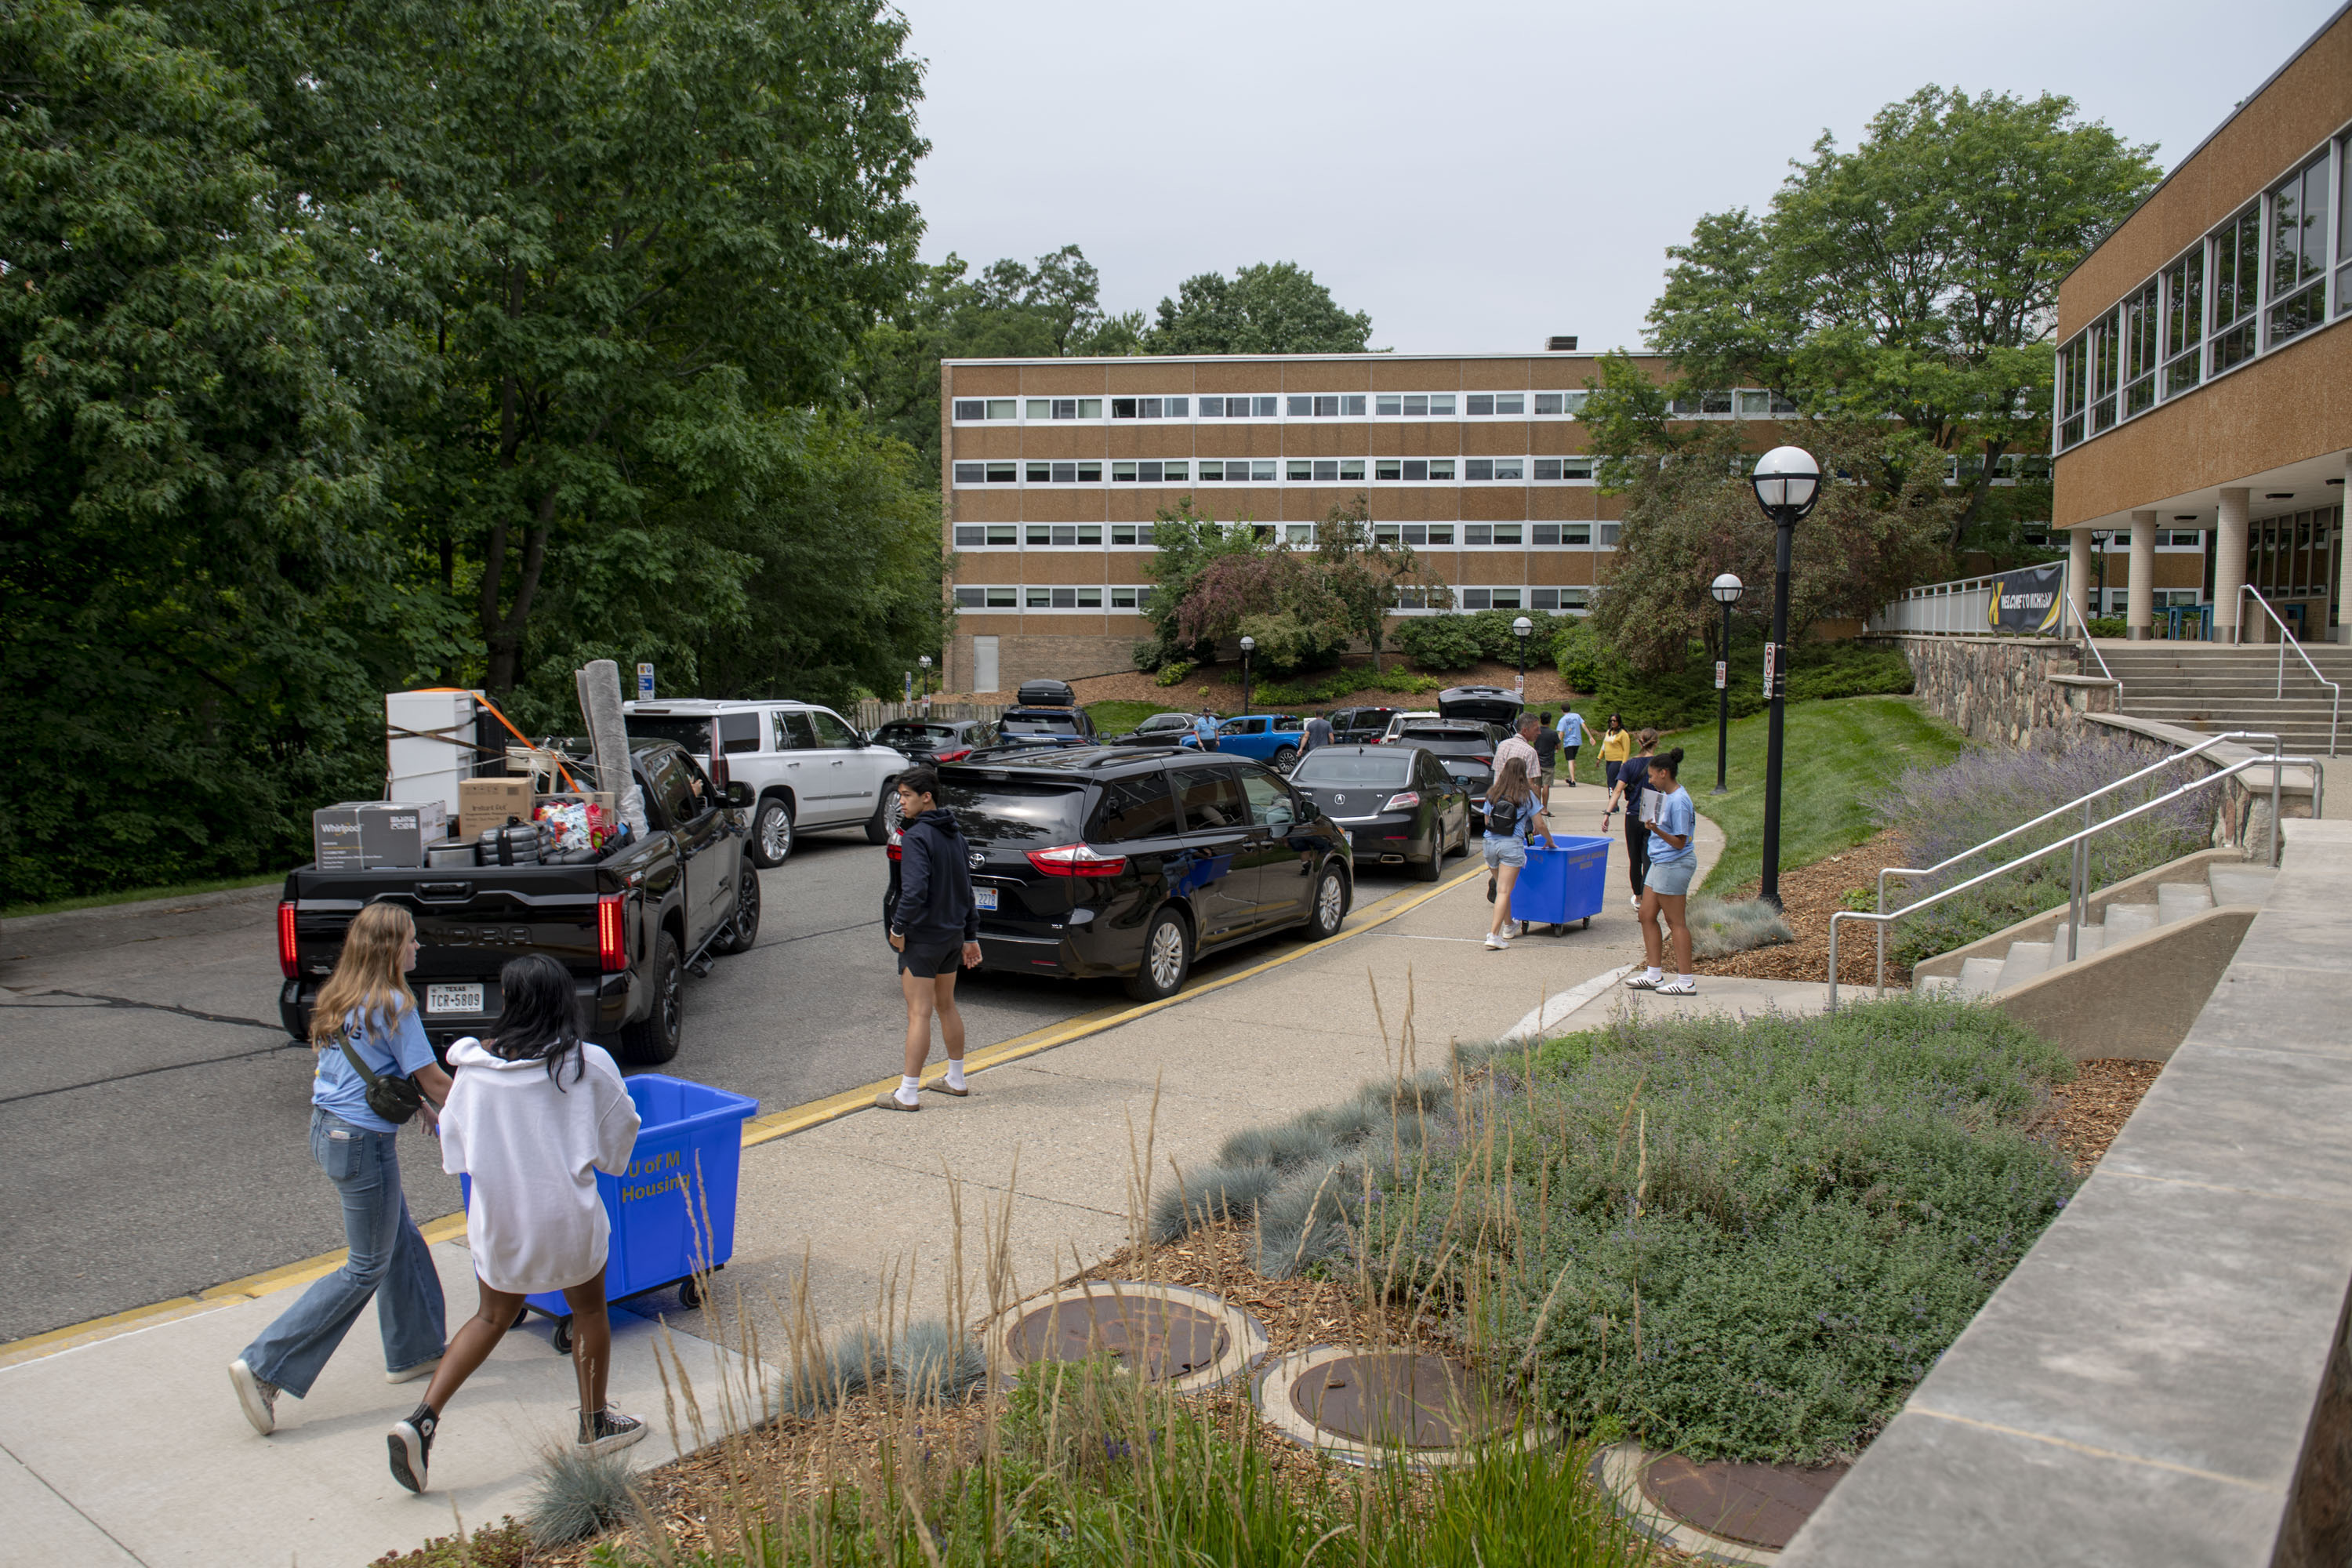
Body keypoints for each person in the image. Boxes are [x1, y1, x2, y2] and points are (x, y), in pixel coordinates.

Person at [388, 954, 646, 1493]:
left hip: (500, 1216)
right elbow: (621, 1138)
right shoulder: (587, 1064)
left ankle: (422, 1420)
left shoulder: (473, 1073)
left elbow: (456, 1153)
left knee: (490, 1317)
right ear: (561, 1002)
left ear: (511, 1003)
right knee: (590, 1309)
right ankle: (595, 1423)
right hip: (565, 1218)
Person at [229, 902, 452, 1439]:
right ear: (389, 949)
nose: (417, 947)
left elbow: (365, 1068)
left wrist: (415, 1104)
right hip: (361, 1146)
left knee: (398, 1237)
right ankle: (265, 1366)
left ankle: (415, 1351)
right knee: (365, 1265)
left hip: (327, 1127)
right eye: (411, 940)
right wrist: (493, 1110)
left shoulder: (342, 995)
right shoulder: (397, 1004)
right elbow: (436, 1079)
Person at [879, 766, 983, 1111]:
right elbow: (967, 891)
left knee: (919, 1013)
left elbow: (914, 891)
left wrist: (898, 929)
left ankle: (907, 1093)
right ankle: (956, 1078)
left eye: (906, 795)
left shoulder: (917, 837)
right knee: (946, 1006)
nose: (901, 802)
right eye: (899, 795)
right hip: (952, 936)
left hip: (923, 938)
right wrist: (970, 935)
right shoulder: (955, 834)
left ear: (927, 797)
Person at [1624, 749, 1699, 996]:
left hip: (1674, 863)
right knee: (1646, 915)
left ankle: (1686, 980)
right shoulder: (1666, 796)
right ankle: (1654, 974)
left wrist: (1654, 829)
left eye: (1653, 776)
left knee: (1675, 922)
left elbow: (1680, 842)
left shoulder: (1679, 802)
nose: (1650, 780)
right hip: (1660, 862)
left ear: (1664, 773)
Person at [1481, 756, 1555, 949]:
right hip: (1511, 845)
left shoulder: (1493, 793)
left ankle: (1508, 926)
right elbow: (1539, 824)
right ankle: (1493, 935)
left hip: (1490, 844)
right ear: (1523, 773)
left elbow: (1487, 822)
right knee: (1504, 891)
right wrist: (1550, 841)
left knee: (1501, 889)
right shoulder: (1527, 795)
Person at [1602, 727, 1660, 910]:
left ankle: (1639, 896)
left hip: (1633, 815)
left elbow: (1617, 790)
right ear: (1656, 743)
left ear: (1638, 742)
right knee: (1649, 857)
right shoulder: (1659, 764)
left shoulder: (1629, 765)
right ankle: (1649, 894)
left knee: (1635, 859)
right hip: (1652, 814)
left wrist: (1607, 813)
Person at [1496, 713, 1542, 813]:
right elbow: (1530, 783)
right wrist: (1538, 805)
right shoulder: (1530, 752)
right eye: (1536, 729)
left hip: (1498, 802)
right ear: (1525, 730)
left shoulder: (1501, 745)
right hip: (1518, 806)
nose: (1539, 732)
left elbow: (1497, 772)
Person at [1533, 712, 1560, 808]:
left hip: (1537, 762)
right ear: (1550, 720)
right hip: (1548, 763)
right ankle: (1544, 808)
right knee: (1546, 786)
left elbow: (1533, 741)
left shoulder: (1537, 732)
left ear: (1540, 720)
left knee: (1537, 786)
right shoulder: (1553, 733)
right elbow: (1559, 746)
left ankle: (1537, 807)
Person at [1599, 714, 1632, 793]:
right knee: (1611, 781)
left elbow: (1626, 750)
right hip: (1608, 760)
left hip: (1617, 760)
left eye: (1614, 721)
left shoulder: (1623, 734)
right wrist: (1599, 757)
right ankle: (1614, 801)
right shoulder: (1609, 732)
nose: (1612, 722)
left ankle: (1613, 802)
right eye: (1611, 721)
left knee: (1611, 781)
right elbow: (1604, 745)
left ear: (1619, 722)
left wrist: (1624, 763)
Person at [1556, 706, 1587, 787]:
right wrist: (1591, 737)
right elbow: (1584, 726)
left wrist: (1557, 743)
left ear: (1562, 710)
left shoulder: (1563, 720)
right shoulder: (1577, 716)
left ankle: (1573, 781)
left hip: (1569, 743)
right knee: (1573, 760)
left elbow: (1561, 733)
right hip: (1577, 742)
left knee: (1570, 761)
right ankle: (1571, 777)